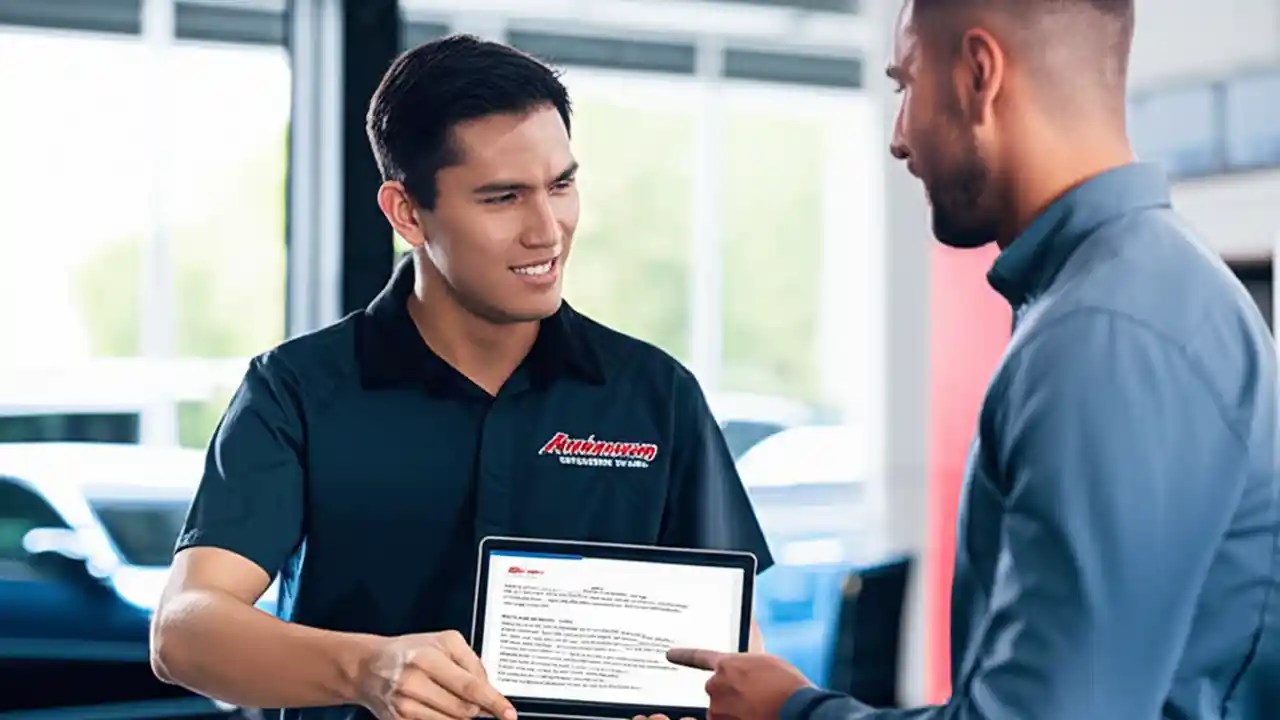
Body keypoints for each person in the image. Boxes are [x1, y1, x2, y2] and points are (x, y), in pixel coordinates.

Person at [657, 0, 1280, 718]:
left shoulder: (1106, 332)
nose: (899, 138)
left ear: (980, 75)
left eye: (907, 85)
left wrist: (792, 712)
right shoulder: (1131, 295)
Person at [149, 34, 773, 720]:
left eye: (561, 185)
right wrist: (367, 669)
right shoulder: (297, 390)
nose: (548, 230)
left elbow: (737, 661)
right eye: (503, 198)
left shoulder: (657, 396)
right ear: (407, 213)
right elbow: (184, 632)